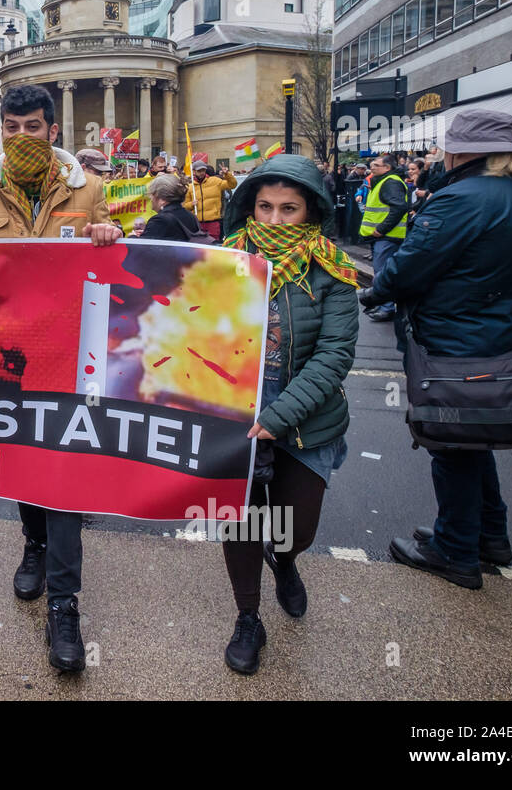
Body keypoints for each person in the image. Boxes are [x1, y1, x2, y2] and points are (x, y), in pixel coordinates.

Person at [0, 84, 121, 673]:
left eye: (32, 127)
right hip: (6, 362)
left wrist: (108, 240)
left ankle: (64, 605)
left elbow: (115, 271)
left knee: (63, 480)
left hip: (70, 359)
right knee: (22, 466)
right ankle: (33, 543)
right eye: (11, 126)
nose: (21, 136)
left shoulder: (89, 189)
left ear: (52, 132)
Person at [364, 110, 512, 590]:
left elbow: (409, 266)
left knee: (450, 440)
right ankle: (489, 536)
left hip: (450, 338)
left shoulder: (461, 199)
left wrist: (373, 292)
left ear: (462, 150)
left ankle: (455, 549)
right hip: (496, 332)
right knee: (474, 434)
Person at [217, 155, 359, 674]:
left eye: (289, 209)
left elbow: (335, 355)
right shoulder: (222, 259)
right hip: (234, 423)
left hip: (304, 424)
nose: (273, 220)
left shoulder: (333, 270)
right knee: (242, 521)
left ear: (312, 211)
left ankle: (289, 562)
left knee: (294, 529)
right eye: (264, 206)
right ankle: (248, 617)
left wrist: (279, 414)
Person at [358, 154, 409, 323]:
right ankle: (384, 305)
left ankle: (386, 307)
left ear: (387, 168)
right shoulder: (385, 181)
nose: (371, 167)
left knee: (382, 272)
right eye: (372, 164)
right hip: (384, 237)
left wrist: (381, 229)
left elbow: (400, 207)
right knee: (382, 271)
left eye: (376, 165)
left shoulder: (390, 182)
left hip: (387, 237)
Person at [182, 154, 237, 241]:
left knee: (213, 247)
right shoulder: (190, 187)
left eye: (203, 170)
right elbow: (184, 206)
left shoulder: (215, 181)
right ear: (194, 172)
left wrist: (227, 174)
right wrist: (191, 204)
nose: (202, 172)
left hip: (213, 222)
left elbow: (232, 185)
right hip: (197, 224)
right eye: (199, 171)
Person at [140, 173, 200, 242]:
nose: (150, 198)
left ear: (162, 199)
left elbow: (143, 249)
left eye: (152, 194)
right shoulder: (191, 216)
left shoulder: (160, 220)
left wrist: (133, 237)